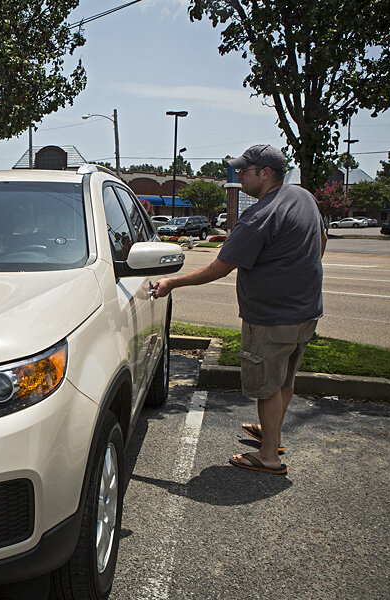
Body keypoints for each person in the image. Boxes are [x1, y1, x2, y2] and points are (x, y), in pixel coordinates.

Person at [152, 144, 327, 475]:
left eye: (244, 171)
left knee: (267, 386)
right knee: (285, 378)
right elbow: (321, 240)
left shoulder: (259, 216)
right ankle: (270, 434)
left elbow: (220, 267)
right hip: (307, 312)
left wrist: (172, 283)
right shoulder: (303, 197)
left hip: (272, 318)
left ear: (265, 173)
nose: (237, 176)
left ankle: (269, 457)